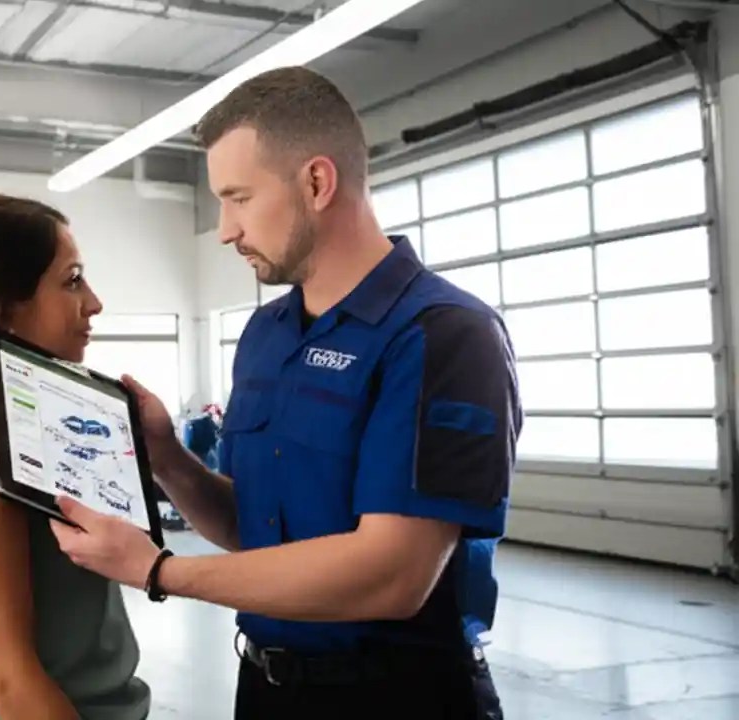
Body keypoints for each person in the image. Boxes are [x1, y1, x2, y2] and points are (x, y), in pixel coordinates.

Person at [50, 66, 519, 719]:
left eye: (238, 197)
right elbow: (258, 531)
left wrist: (159, 571)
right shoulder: (266, 334)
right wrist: (168, 460)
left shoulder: (441, 336)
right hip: (267, 691)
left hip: (399, 698)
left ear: (317, 182)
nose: (224, 229)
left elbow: (394, 575)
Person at [0, 193, 151, 720]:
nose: (95, 302)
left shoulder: (4, 421)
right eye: (72, 280)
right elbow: (8, 682)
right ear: (4, 304)